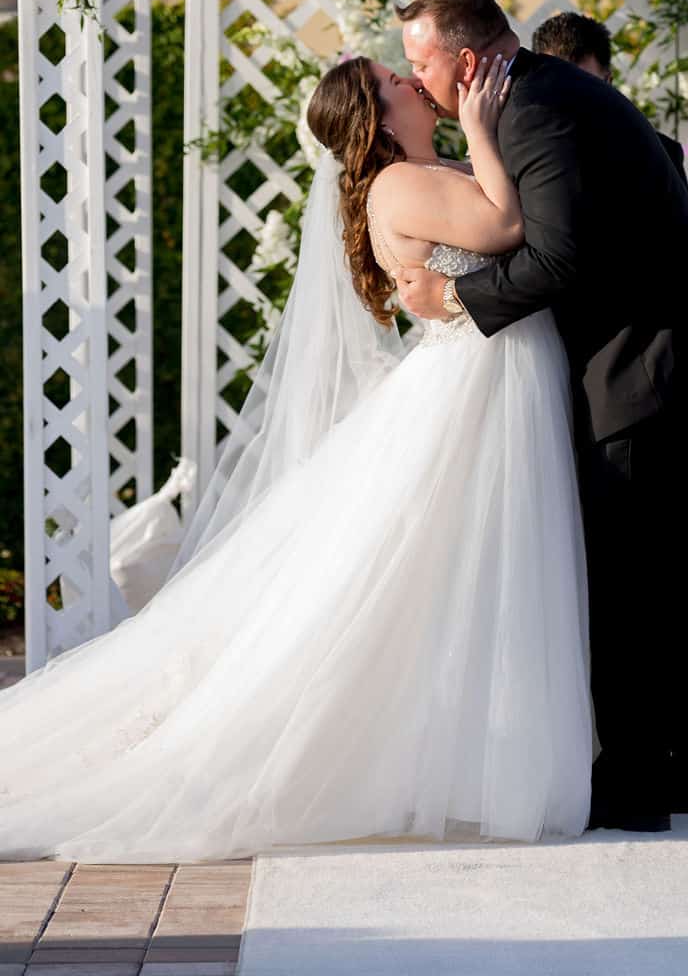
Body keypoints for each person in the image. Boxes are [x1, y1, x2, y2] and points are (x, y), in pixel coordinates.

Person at [0, 54, 593, 862]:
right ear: (378, 117)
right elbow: (505, 227)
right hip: (475, 385)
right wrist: (487, 128)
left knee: (460, 575)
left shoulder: (427, 169)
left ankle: (466, 759)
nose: (409, 79)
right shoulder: (401, 185)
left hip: (492, 376)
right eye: (393, 78)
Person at [398, 0, 688, 832]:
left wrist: (457, 299)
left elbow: (561, 258)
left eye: (420, 62)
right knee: (687, 570)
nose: (416, 81)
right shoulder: (537, 97)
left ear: (464, 59)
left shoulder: (534, 107)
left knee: (634, 571)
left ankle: (638, 784)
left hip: (661, 357)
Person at [532, 11, 688, 182]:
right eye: (557, 87)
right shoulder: (520, 153)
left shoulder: (660, 155)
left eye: (584, 87)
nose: (569, 101)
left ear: (608, 83)